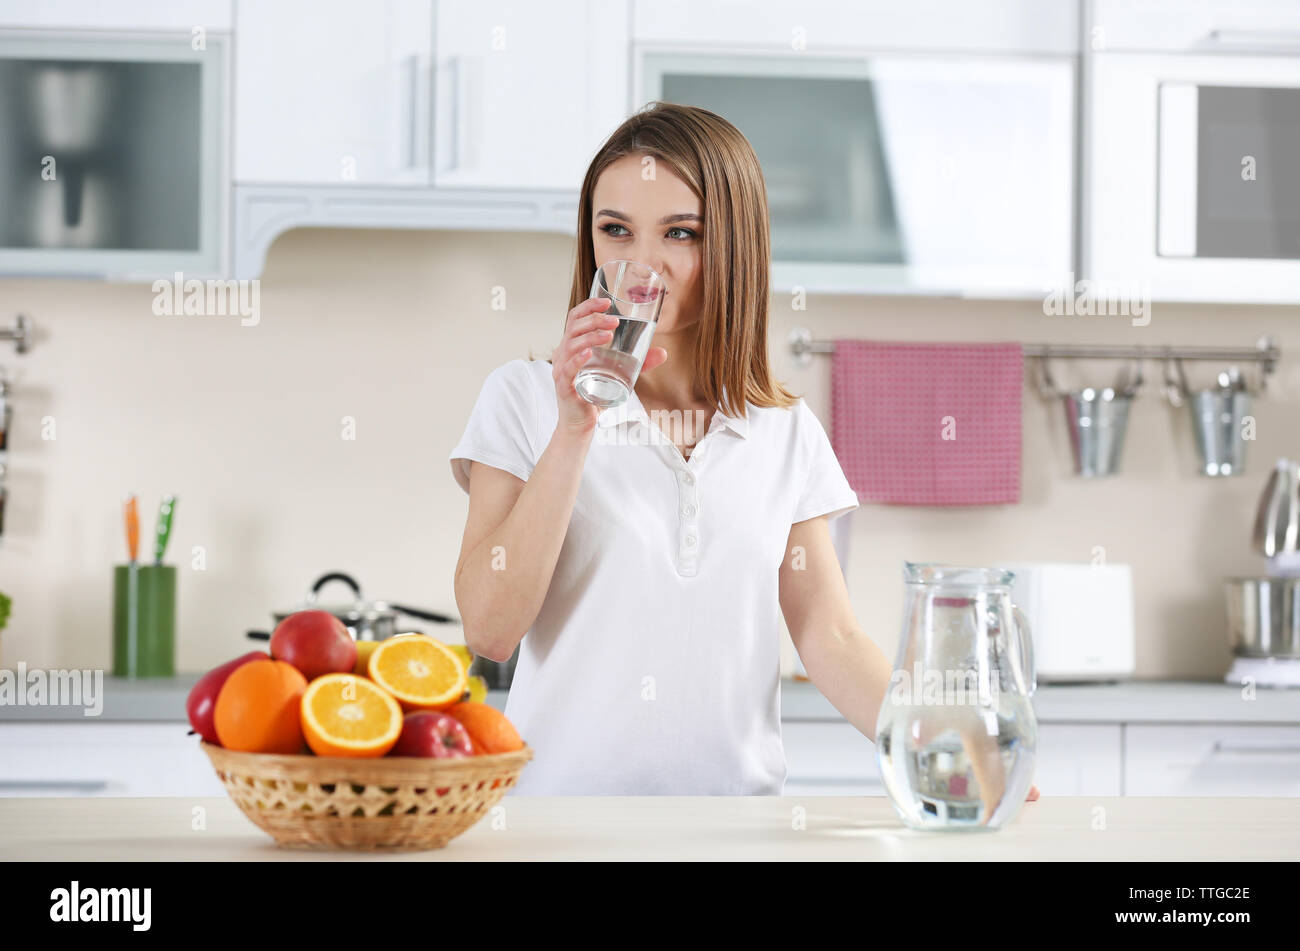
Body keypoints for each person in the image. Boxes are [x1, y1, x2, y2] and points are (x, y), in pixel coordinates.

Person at [449, 100, 1039, 804]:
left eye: (680, 233)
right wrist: (576, 425)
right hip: (564, 826)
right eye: (616, 230)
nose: (643, 264)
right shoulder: (523, 399)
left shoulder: (784, 431)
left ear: (732, 246)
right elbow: (490, 627)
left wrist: (947, 741)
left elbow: (831, 636)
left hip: (740, 826)